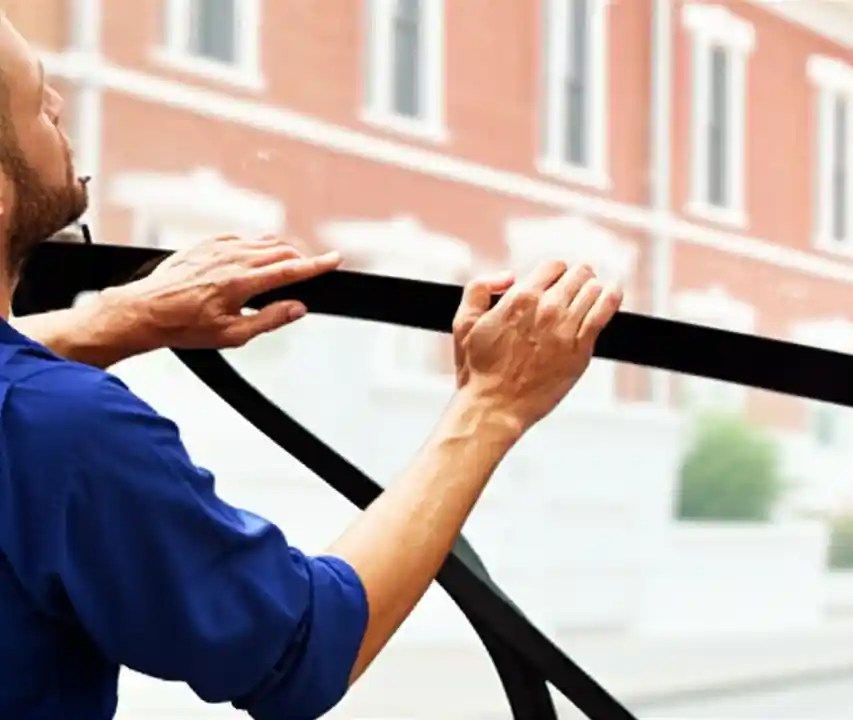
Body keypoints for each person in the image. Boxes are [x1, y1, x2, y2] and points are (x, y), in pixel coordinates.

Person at [0, 12, 622, 720]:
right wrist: (492, 405)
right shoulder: (65, 430)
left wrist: (104, 321)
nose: (56, 106)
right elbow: (299, 647)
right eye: (35, 96)